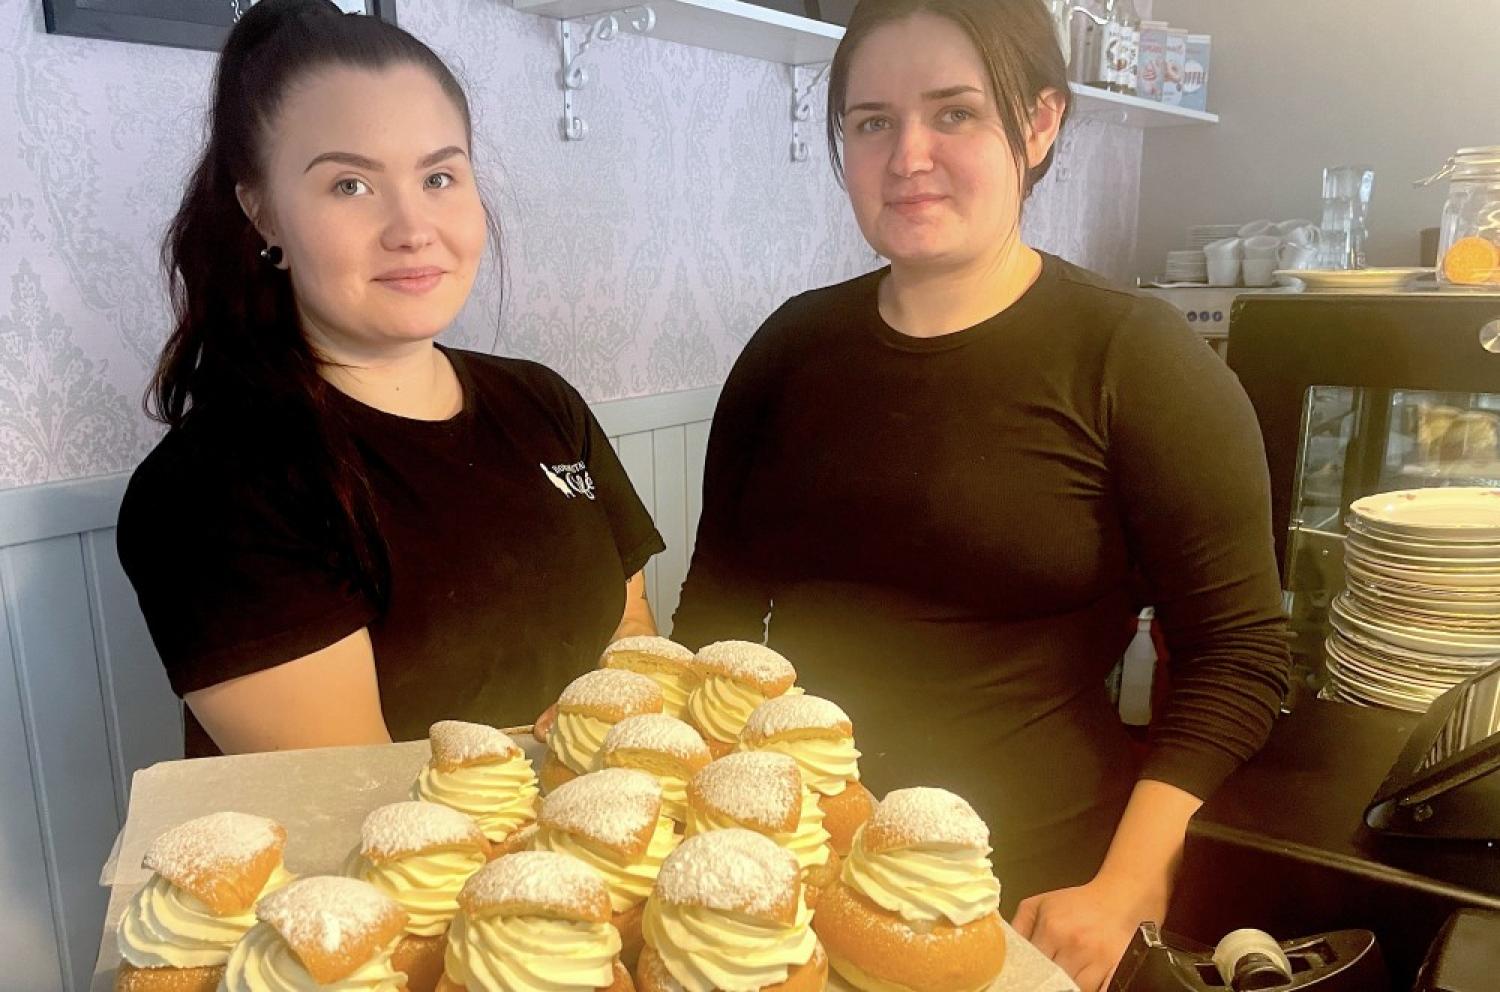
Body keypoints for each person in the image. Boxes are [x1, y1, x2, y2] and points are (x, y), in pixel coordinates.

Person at [668, 1, 1291, 988]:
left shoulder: (1137, 358)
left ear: (1039, 123)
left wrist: (1128, 884)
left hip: (1033, 894)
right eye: (872, 121)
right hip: (789, 885)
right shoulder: (788, 348)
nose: (907, 156)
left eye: (954, 113)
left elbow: (1240, 655)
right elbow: (718, 618)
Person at [117, 0, 663, 759]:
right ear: (262, 213)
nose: (412, 228)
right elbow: (361, 799)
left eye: (439, 176)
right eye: (350, 185)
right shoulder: (213, 488)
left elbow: (632, 639)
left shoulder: (544, 404)